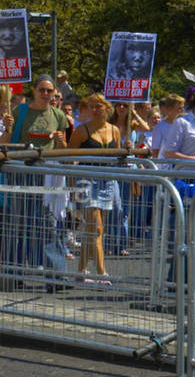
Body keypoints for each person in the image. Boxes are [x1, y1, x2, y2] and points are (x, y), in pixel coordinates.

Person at [2, 75, 69, 276]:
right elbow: (6, 141)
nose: (46, 94)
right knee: (19, 221)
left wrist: (59, 141)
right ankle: (14, 272)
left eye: (50, 91)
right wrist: (7, 127)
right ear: (34, 91)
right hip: (21, 173)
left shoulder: (58, 115)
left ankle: (55, 274)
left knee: (47, 221)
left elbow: (64, 148)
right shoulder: (20, 110)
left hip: (46, 174)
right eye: (42, 90)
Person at [68, 94, 121, 284]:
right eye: (91, 106)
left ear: (107, 108)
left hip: (107, 181)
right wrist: (72, 184)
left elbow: (118, 154)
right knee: (97, 228)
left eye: (98, 106)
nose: (94, 110)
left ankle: (81, 271)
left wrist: (128, 149)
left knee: (93, 229)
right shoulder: (82, 131)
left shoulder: (115, 130)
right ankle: (101, 272)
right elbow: (69, 156)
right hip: (86, 181)